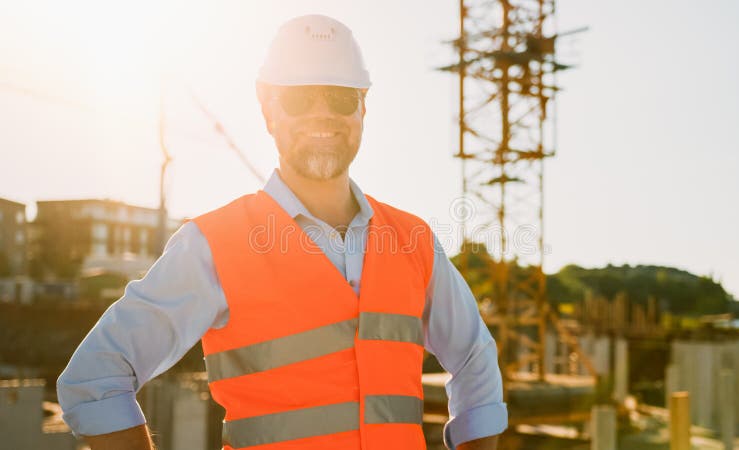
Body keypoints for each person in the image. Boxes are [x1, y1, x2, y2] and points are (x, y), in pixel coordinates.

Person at [57, 14, 507, 450]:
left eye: (340, 97)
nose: (321, 114)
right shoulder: (214, 245)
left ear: (363, 107)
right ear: (268, 109)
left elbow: (475, 360)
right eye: (298, 98)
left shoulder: (413, 241)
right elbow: (94, 378)